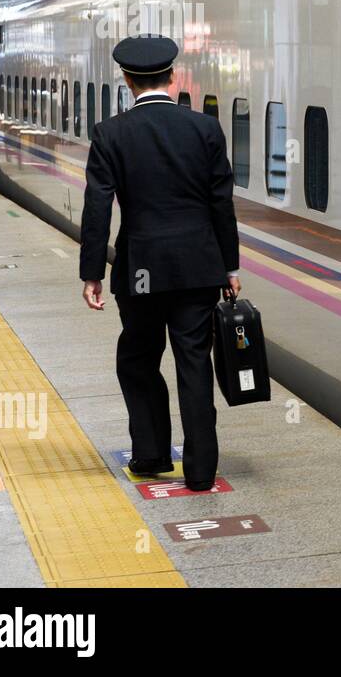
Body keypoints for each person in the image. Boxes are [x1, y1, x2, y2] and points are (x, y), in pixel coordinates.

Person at [79, 34, 240, 492]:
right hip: (198, 268)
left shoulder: (111, 134)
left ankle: (150, 456)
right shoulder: (205, 129)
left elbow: (97, 207)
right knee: (194, 361)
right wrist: (229, 268)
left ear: (127, 81)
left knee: (138, 358)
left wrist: (91, 271)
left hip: (140, 270)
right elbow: (220, 204)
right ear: (172, 77)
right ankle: (202, 472)